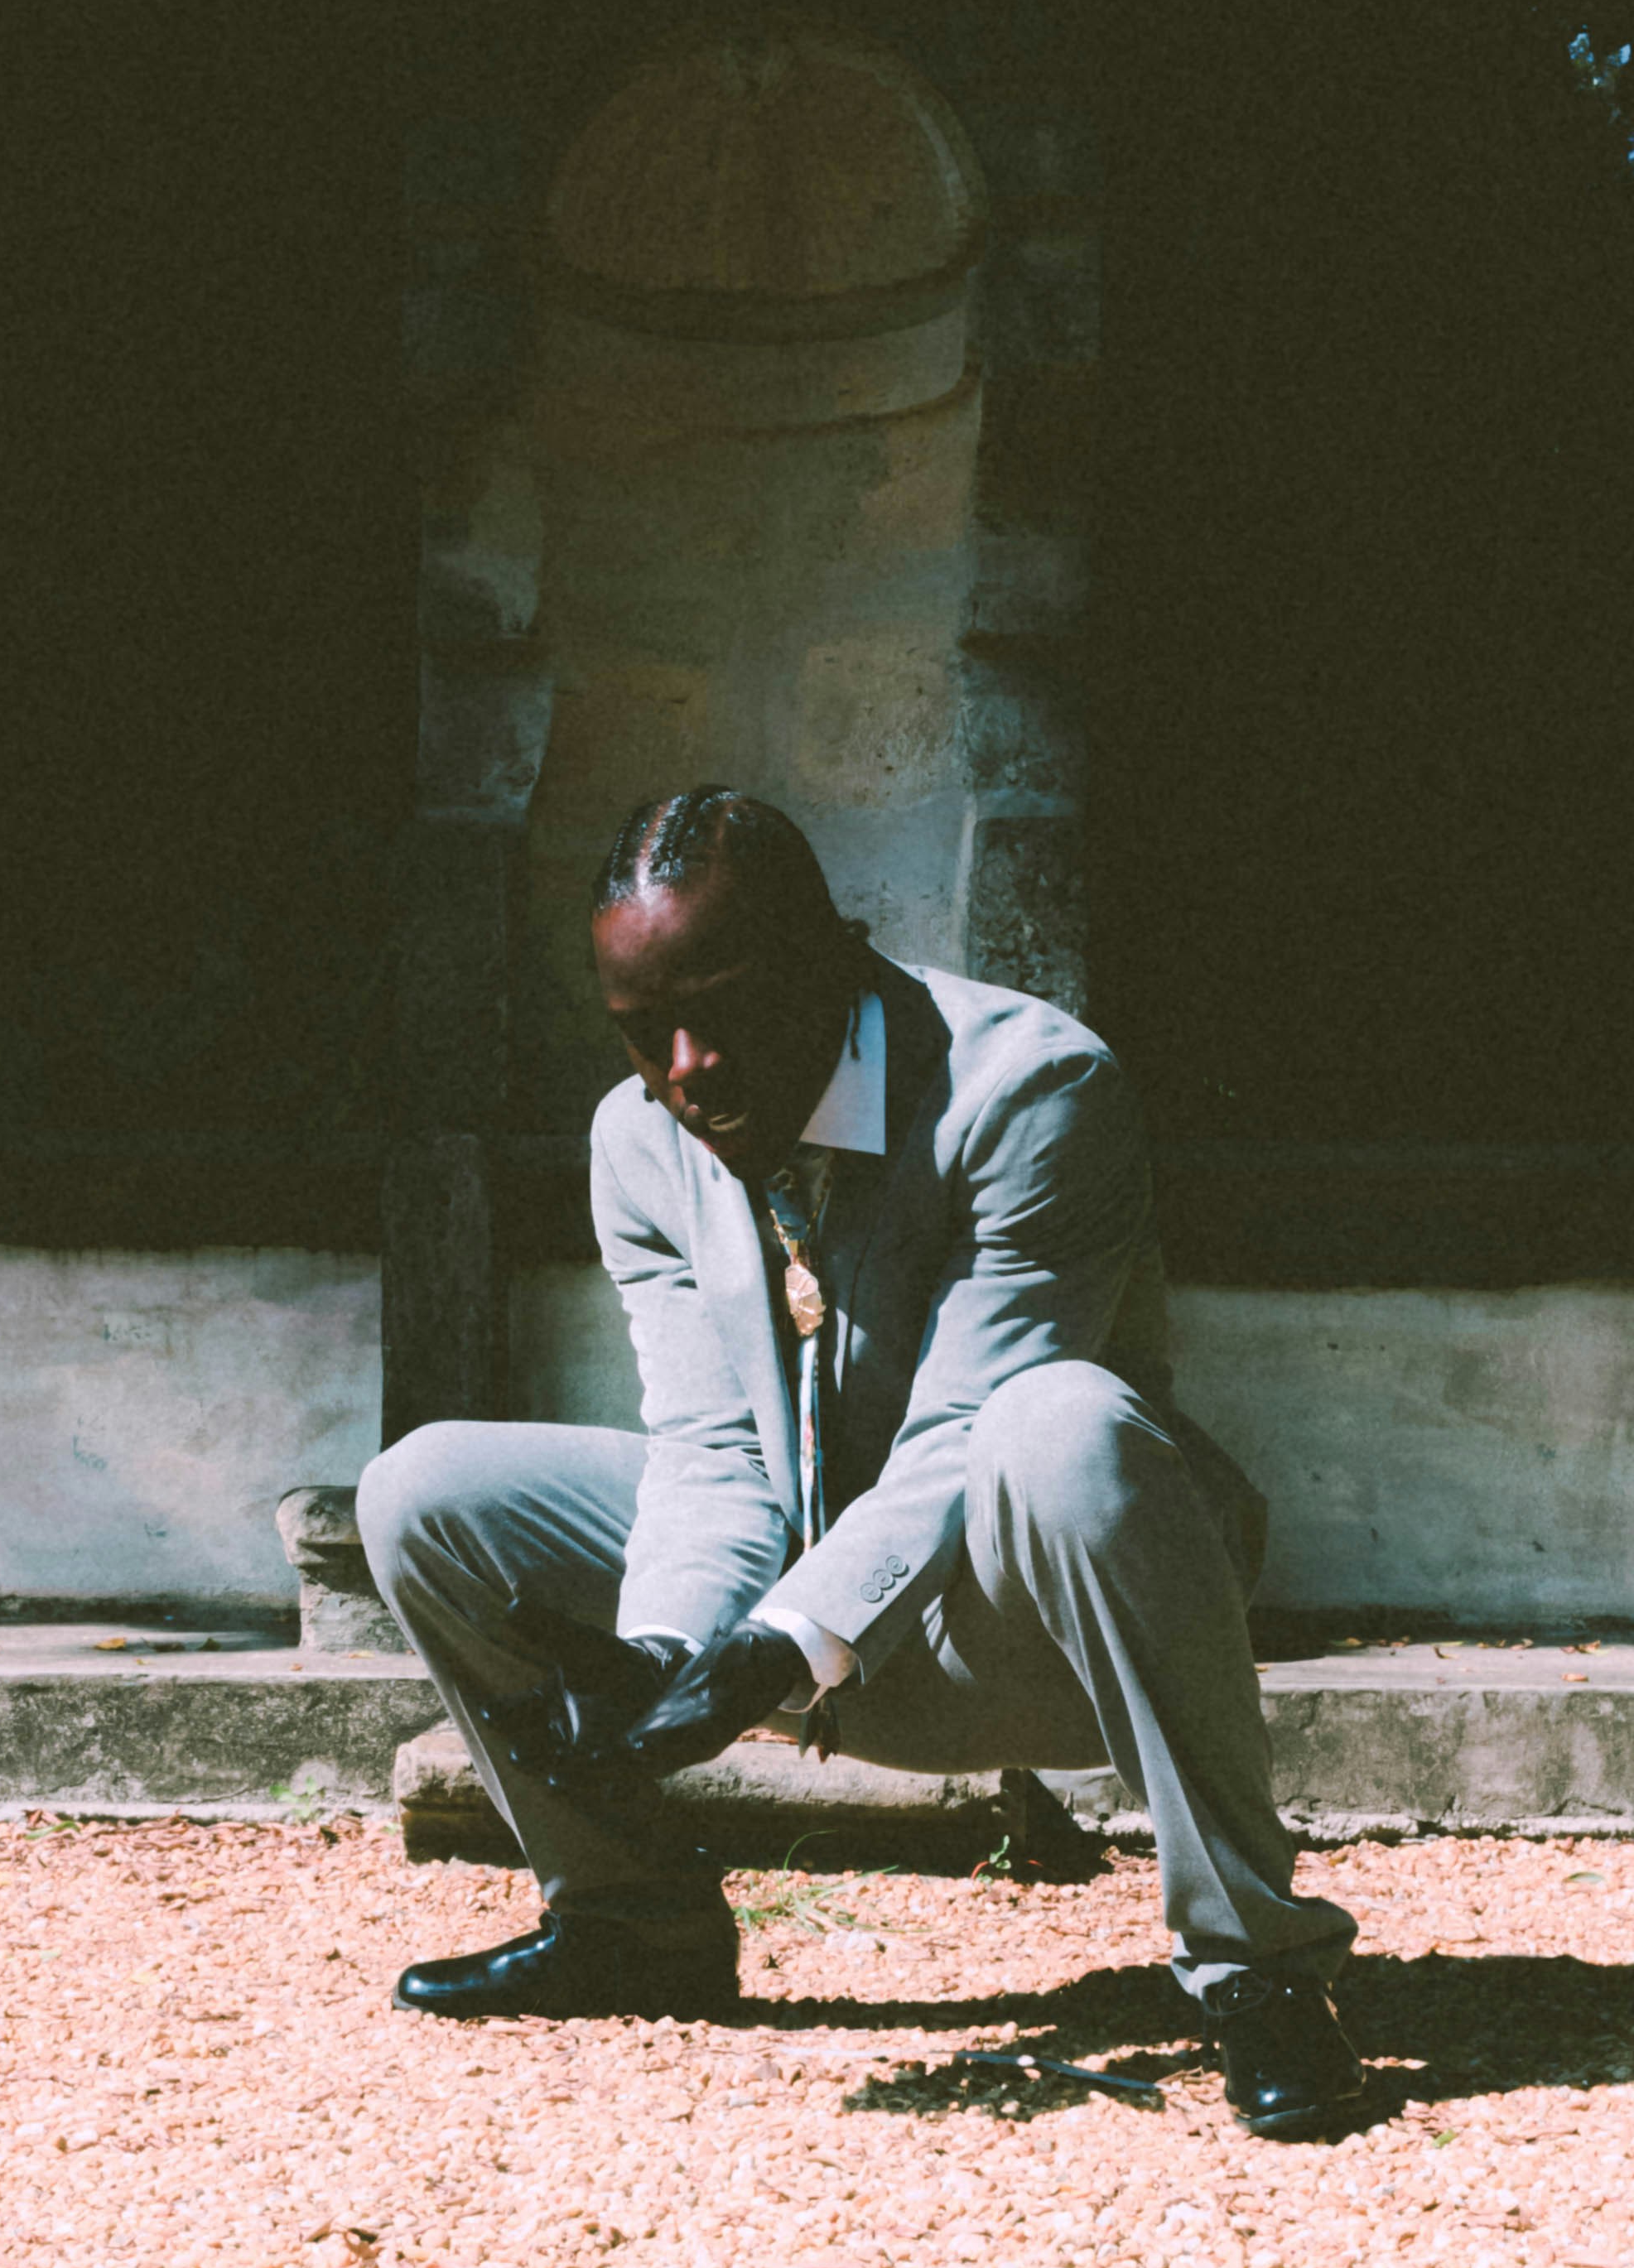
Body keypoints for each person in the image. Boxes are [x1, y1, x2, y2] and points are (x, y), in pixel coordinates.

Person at [356, 788, 1365, 2137]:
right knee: (421, 1491)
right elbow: (713, 1446)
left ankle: (1256, 1962)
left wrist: (769, 1650)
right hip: (799, 1617)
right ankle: (626, 1913)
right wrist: (663, 1654)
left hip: (1043, 1634)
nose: (688, 1066)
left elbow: (964, 1435)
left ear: (835, 954)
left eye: (721, 1008)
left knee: (1056, 1418)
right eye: (644, 1032)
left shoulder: (1032, 1088)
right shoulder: (640, 1140)